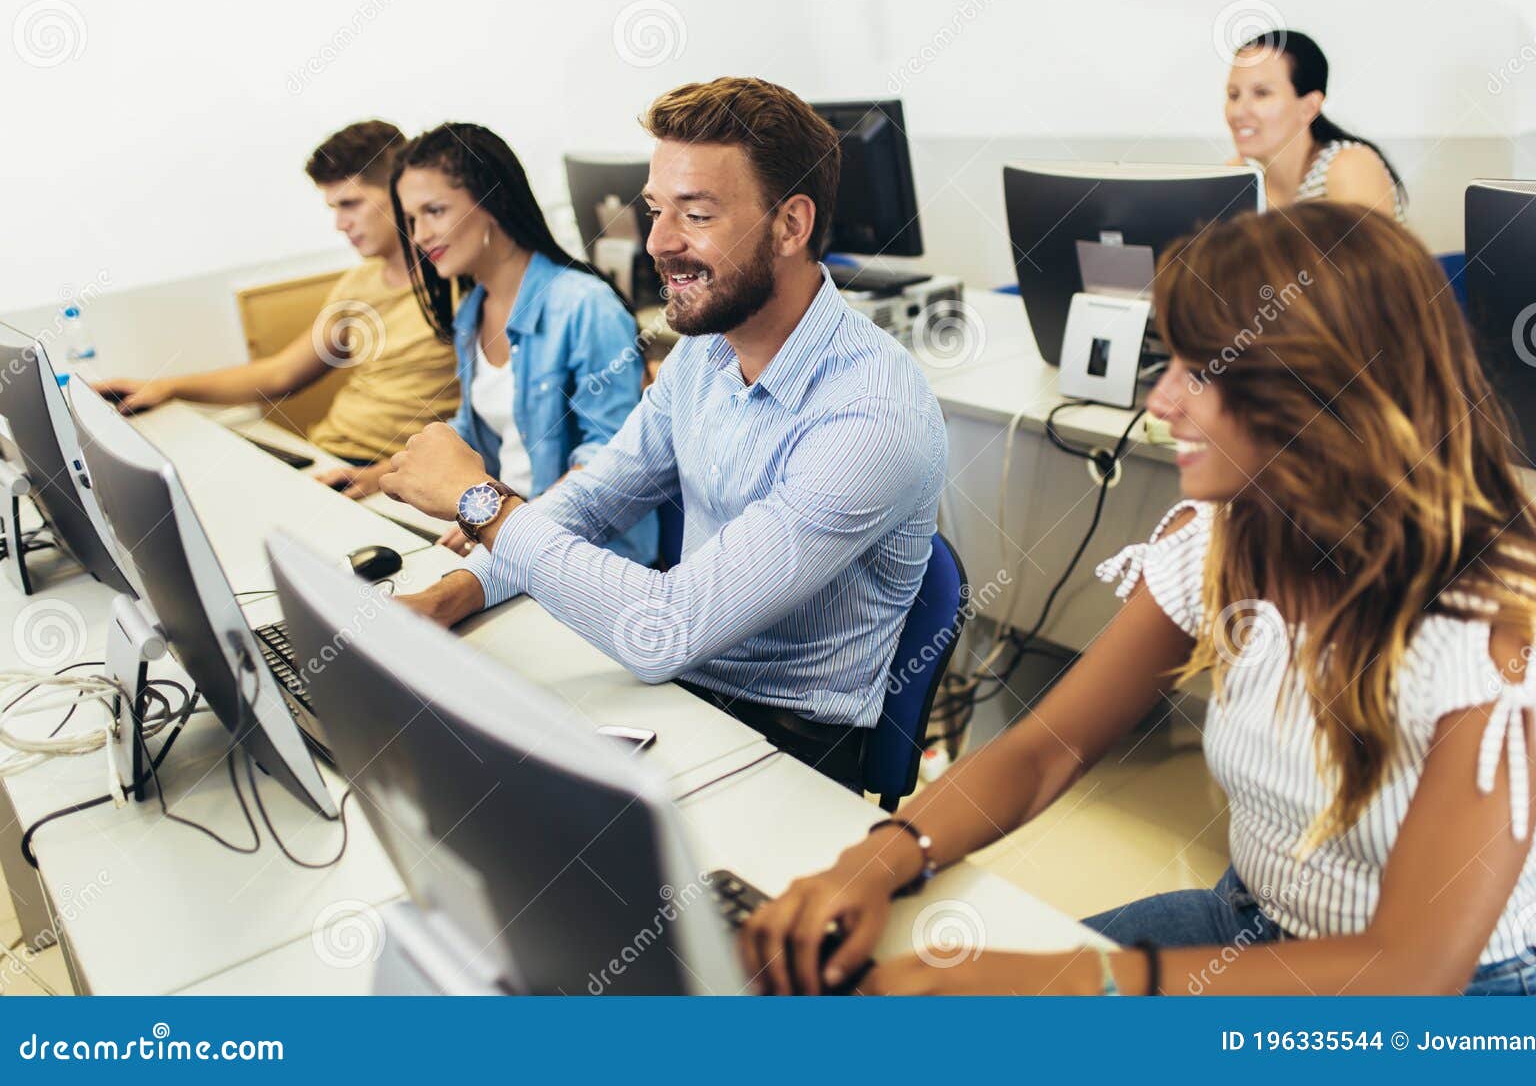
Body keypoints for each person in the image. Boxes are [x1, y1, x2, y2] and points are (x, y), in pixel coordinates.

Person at [738, 203, 1536, 996]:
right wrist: (883, 858)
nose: (1159, 400)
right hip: (1251, 923)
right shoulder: (1227, 539)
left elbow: (1411, 969)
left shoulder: (1495, 638)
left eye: (1199, 373)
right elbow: (1047, 746)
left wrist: (1082, 984)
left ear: (1312, 400)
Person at [377, 78, 948, 791]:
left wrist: (482, 503)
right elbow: (590, 502)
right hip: (682, 692)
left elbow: (666, 630)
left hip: (787, 746)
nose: (657, 243)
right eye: (655, 211)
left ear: (791, 225)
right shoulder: (706, 352)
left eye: (696, 215)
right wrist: (452, 595)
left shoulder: (872, 414)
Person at [318, 123, 656, 566]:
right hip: (507, 536)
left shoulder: (584, 306)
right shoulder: (472, 310)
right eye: (411, 219)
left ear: (492, 201)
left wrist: (501, 521)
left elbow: (607, 461)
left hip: (582, 553)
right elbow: (478, 428)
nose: (418, 236)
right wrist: (388, 472)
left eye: (434, 211)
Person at [94, 121, 460, 463]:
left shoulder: (460, 284)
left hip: (384, 472)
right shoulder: (358, 285)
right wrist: (169, 386)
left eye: (351, 204)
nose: (340, 224)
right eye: (333, 208)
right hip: (326, 454)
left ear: (401, 194)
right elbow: (281, 374)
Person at [1226, 30, 1406, 220]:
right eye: (1233, 95)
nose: (1238, 111)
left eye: (1262, 93)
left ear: (1309, 107)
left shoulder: (1350, 167)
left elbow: (1364, 250)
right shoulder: (1239, 176)